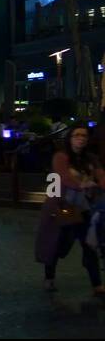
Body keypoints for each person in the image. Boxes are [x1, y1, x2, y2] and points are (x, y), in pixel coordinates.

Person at [35, 124, 105, 295]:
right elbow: (63, 176)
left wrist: (100, 185)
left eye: (84, 136)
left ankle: (96, 284)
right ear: (70, 138)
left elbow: (101, 175)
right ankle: (49, 277)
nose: (81, 138)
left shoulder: (91, 158)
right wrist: (82, 184)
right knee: (58, 242)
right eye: (77, 135)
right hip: (64, 206)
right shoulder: (61, 156)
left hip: (85, 207)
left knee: (89, 243)